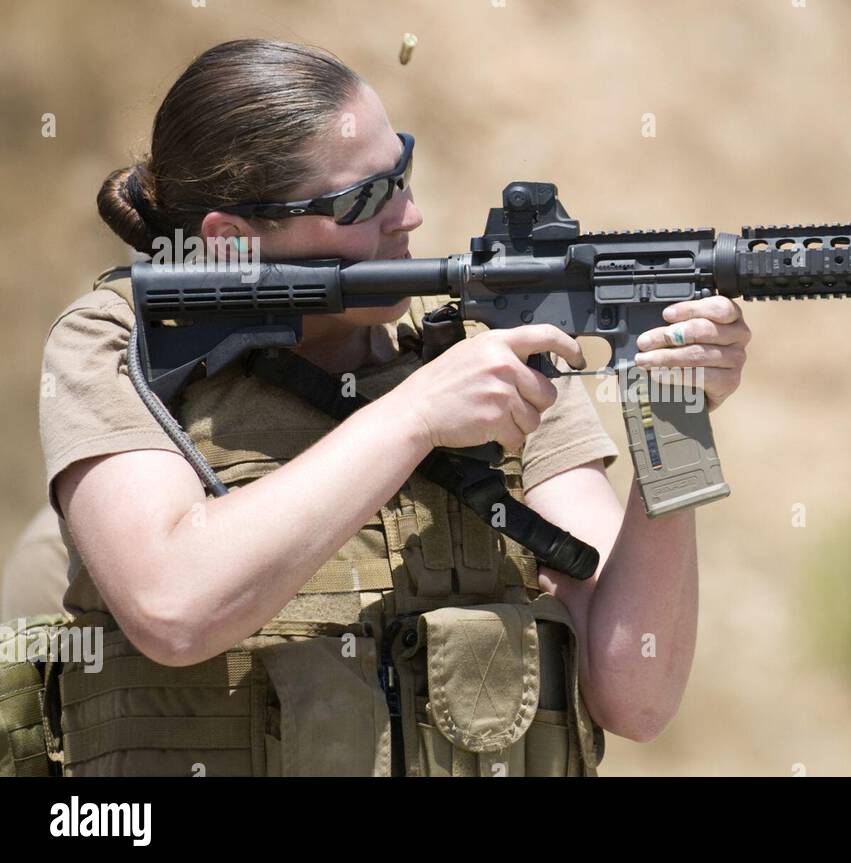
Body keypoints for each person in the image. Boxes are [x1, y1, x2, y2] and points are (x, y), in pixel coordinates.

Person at [38, 39, 750, 776]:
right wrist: (415, 418)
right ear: (231, 241)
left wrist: (676, 412)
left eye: (401, 172)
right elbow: (173, 610)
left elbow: (635, 694)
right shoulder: (119, 341)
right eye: (363, 201)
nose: (409, 215)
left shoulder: (489, 350)